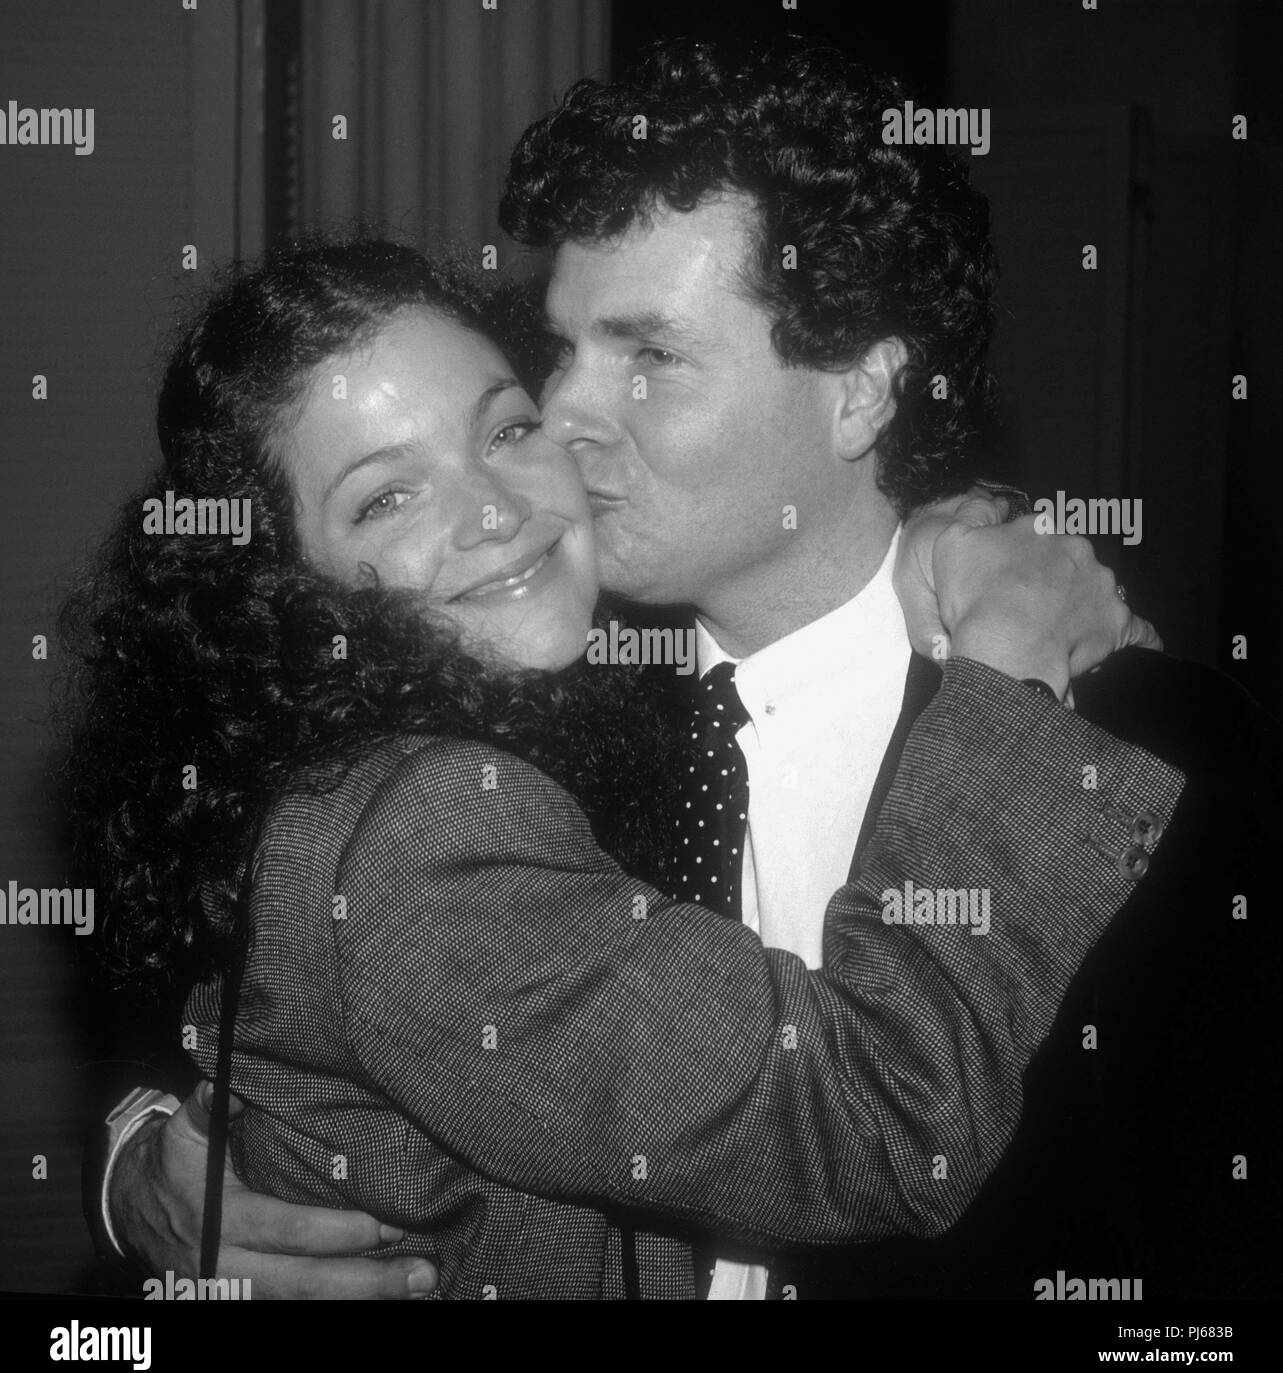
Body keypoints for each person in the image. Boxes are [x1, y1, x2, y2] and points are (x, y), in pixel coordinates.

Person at [104, 37, 1278, 1299]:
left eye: (646, 357)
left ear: (859, 392)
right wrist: (147, 1170)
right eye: (558, 354)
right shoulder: (503, 712)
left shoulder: (1135, 753)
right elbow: (267, 1015)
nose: (558, 419)